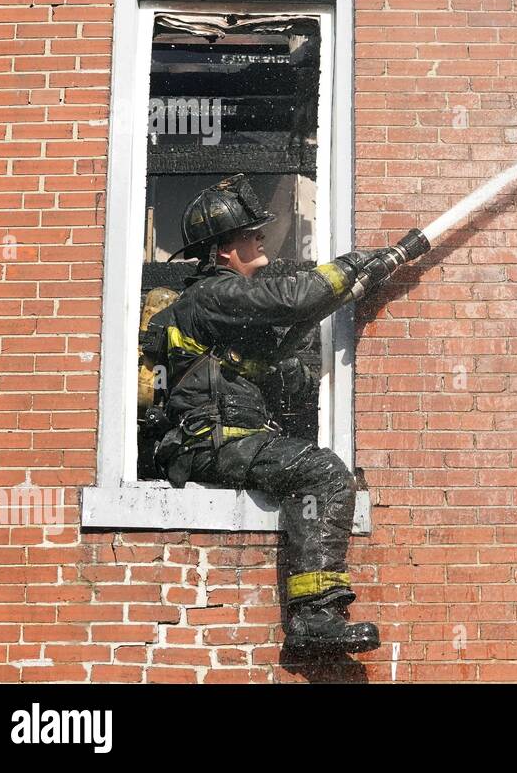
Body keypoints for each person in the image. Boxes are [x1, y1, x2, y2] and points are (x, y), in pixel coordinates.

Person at [146, 173, 421, 658]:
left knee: (321, 470)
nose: (260, 237)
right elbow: (293, 298)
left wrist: (340, 301)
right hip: (211, 439)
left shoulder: (230, 315)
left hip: (227, 438)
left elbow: (290, 374)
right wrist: (352, 265)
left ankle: (316, 615)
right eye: (249, 233)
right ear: (222, 251)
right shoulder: (212, 295)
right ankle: (315, 616)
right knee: (324, 474)